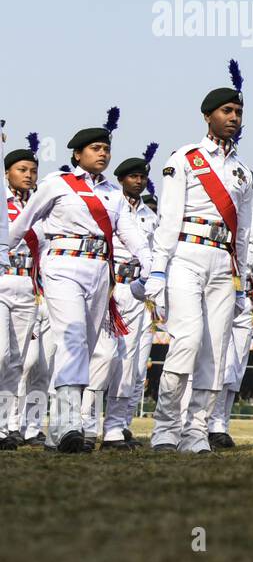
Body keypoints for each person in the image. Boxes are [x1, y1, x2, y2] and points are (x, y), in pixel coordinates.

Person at [8, 110, 152, 453]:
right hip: (62, 265)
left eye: (106, 148)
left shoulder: (114, 196)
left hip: (100, 271)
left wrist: (151, 266)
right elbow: (22, 225)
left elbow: (131, 235)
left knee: (83, 349)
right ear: (77, 154)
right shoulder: (57, 184)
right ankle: (69, 426)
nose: (102, 153)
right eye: (95, 148)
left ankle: (58, 434)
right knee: (73, 338)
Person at [147, 69, 253, 454]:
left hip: (223, 263)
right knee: (188, 341)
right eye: (227, 110)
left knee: (216, 351)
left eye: (239, 112)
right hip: (186, 256)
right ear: (208, 115)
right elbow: (168, 219)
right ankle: (165, 428)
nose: (234, 118)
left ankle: (196, 431)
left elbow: (242, 233)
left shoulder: (244, 171)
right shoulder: (186, 159)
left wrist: (241, 281)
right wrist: (158, 271)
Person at [92, 143, 160, 449]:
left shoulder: (151, 216)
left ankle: (116, 428)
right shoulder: (109, 204)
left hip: (137, 292)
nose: (139, 181)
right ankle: (84, 423)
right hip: (109, 287)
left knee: (130, 365)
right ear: (120, 179)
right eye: (133, 177)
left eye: (142, 177)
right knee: (101, 359)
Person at [206, 205, 253, 449]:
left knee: (236, 370)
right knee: (222, 365)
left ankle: (222, 425)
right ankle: (212, 425)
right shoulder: (222, 239)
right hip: (223, 302)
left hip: (245, 308)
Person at [0, 135, 43, 448]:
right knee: (1, 354)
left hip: (28, 288)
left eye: (32, 170)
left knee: (17, 361)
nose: (28, 175)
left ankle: (4, 428)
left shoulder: (41, 206)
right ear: (7, 174)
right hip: (1, 283)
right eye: (21, 169)